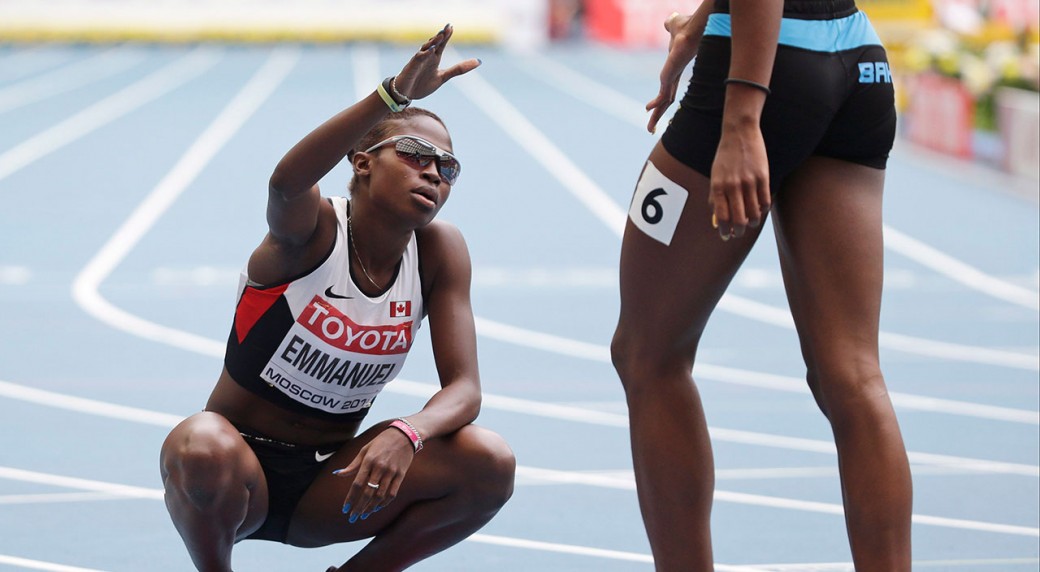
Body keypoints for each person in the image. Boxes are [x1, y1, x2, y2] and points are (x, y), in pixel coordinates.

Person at [160, 25, 516, 572]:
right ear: (362, 161)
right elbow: (285, 182)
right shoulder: (313, 231)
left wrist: (407, 432)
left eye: (448, 169)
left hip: (331, 484)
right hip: (238, 473)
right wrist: (393, 96)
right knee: (198, 443)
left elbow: (465, 390)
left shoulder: (439, 251)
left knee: (489, 461)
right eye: (417, 152)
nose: (434, 173)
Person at [610, 2, 912, 570]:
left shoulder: (748, 99)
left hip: (761, 73)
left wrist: (742, 118)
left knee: (647, 355)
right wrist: (703, 19)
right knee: (851, 373)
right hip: (859, 62)